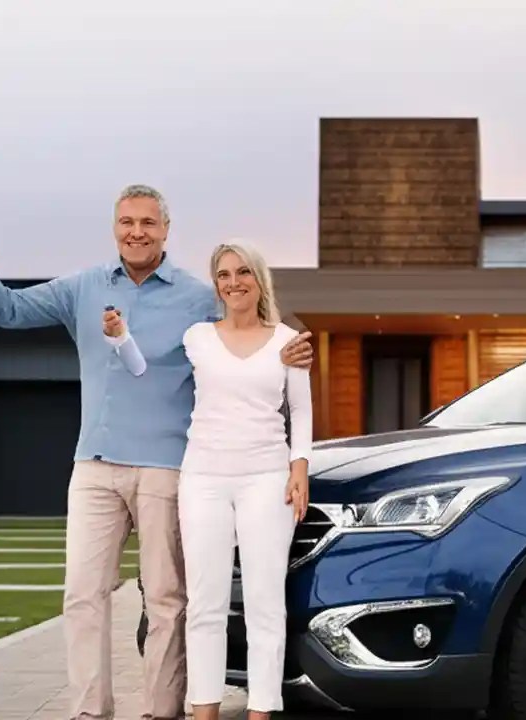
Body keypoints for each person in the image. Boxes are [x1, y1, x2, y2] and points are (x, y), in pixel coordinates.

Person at [0, 184, 314, 720]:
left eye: (148, 222)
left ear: (166, 230)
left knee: (168, 600)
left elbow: (252, 317)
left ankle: (163, 710)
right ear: (115, 227)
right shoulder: (83, 288)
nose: (136, 232)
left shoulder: (198, 295)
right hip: (94, 464)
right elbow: (8, 310)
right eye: (127, 222)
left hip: (168, 467)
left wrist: (297, 344)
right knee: (81, 595)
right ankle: (90, 710)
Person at [177, 241, 311, 719]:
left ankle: (260, 710)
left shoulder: (287, 342)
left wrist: (300, 468)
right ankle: (204, 710)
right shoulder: (196, 337)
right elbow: (146, 368)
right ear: (216, 284)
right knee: (205, 603)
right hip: (203, 478)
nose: (233, 282)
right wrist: (117, 337)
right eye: (223, 274)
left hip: (266, 479)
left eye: (242, 272)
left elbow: (300, 409)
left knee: (264, 603)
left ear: (259, 279)